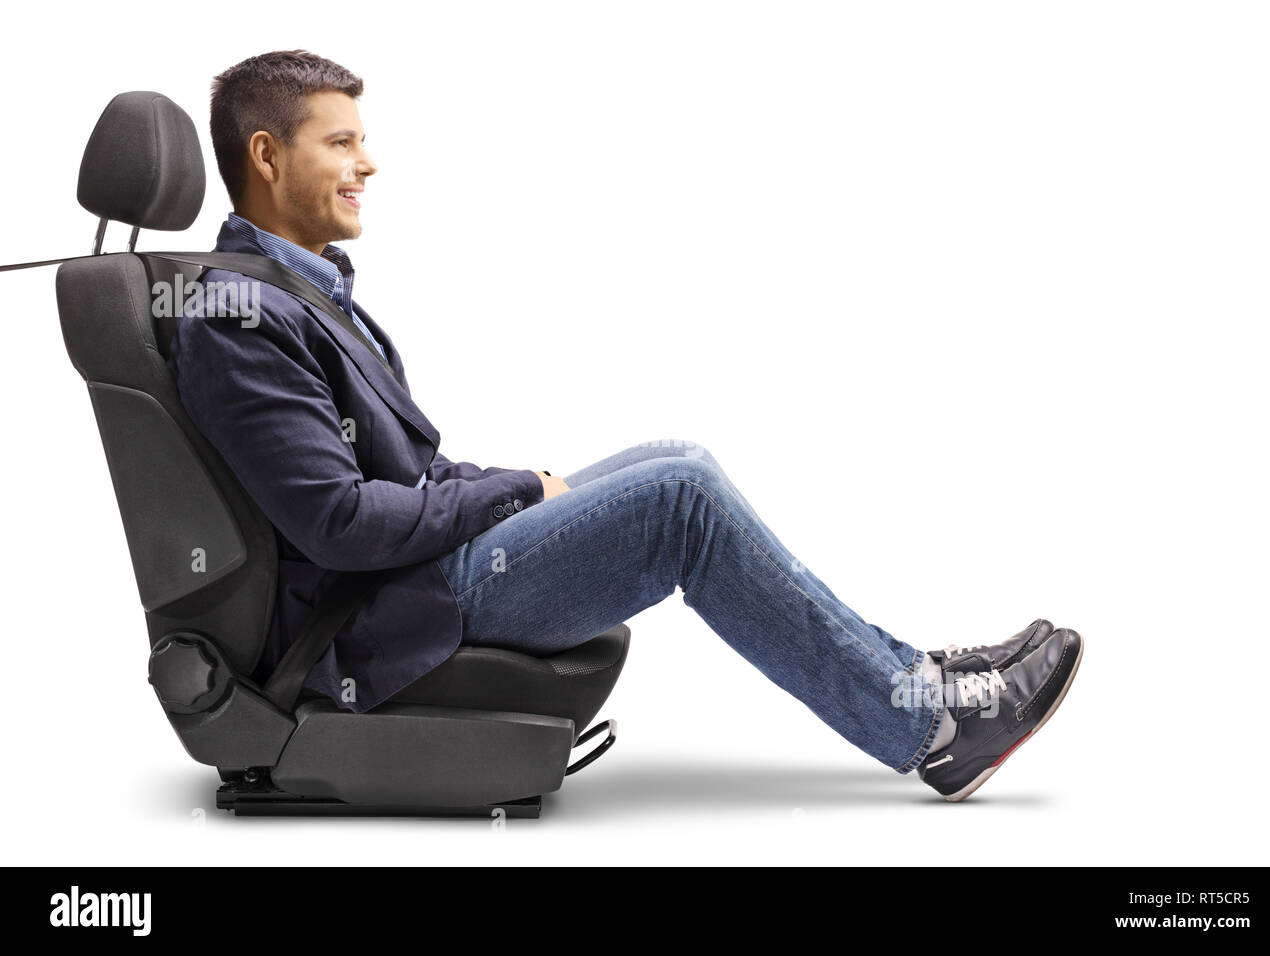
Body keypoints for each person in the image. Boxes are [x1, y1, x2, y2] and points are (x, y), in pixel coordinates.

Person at [168, 49, 1083, 803]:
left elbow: (403, 470)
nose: (369, 164)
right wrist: (519, 492)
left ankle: (908, 665)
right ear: (267, 156)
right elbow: (338, 524)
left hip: (409, 571)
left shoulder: (291, 293)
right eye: (343, 143)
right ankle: (935, 722)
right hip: (378, 615)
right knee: (678, 501)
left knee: (678, 456)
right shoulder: (240, 315)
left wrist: (502, 485)